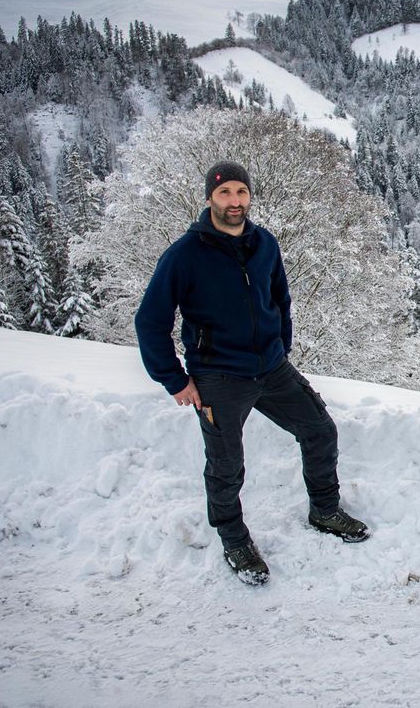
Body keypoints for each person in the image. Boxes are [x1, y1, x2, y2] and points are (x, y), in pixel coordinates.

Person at [134, 160, 369, 586]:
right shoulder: (184, 255)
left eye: (241, 192)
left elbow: (280, 298)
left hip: (271, 368)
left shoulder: (264, 244)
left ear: (249, 197)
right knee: (226, 464)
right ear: (210, 199)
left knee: (320, 430)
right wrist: (175, 379)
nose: (234, 201)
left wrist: (280, 346)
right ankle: (233, 537)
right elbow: (150, 320)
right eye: (225, 194)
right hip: (218, 376)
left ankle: (324, 509)